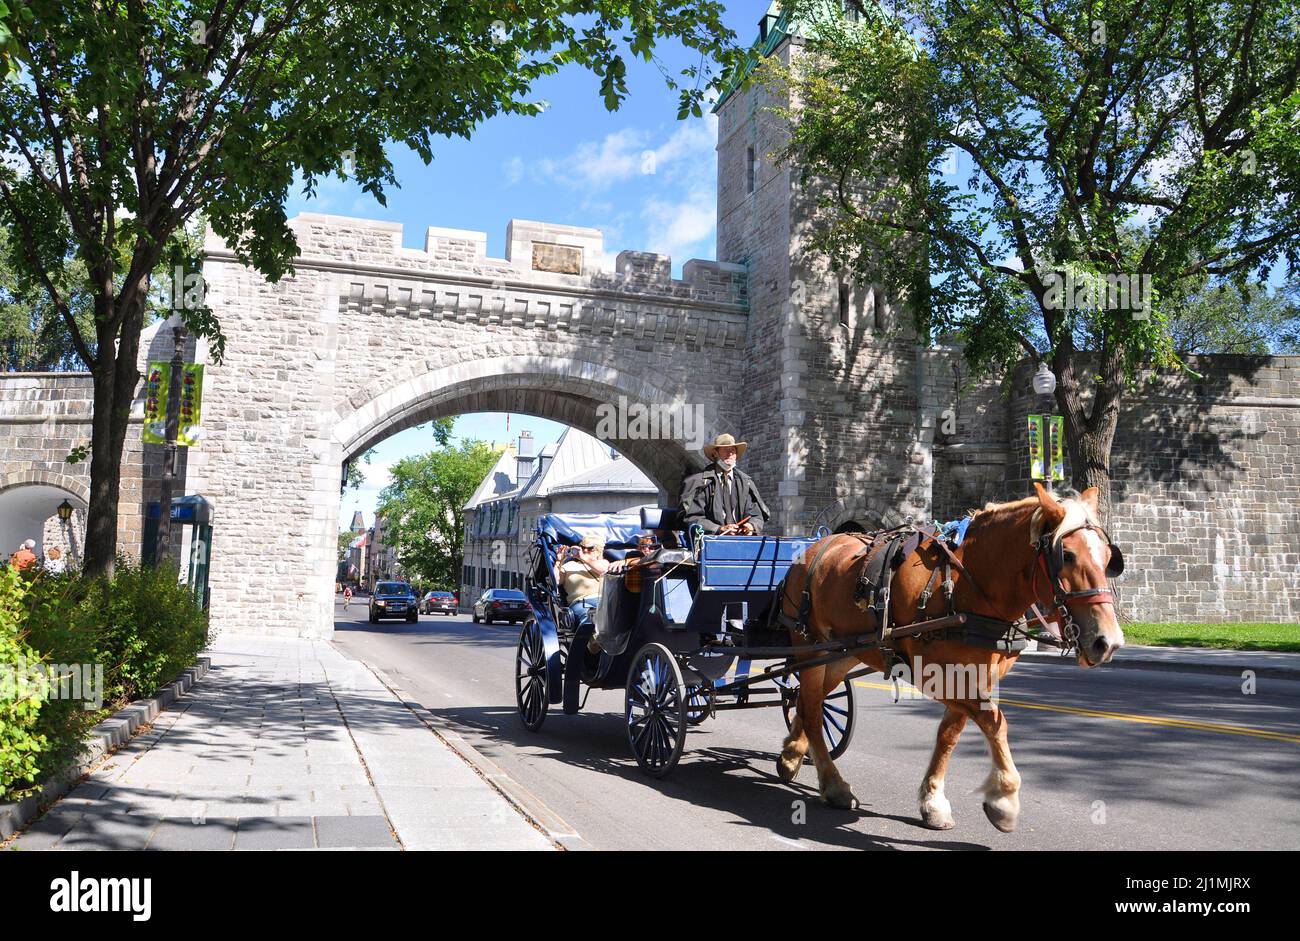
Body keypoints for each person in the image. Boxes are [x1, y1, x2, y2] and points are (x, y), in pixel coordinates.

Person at [680, 433, 770, 535]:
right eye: (725, 450)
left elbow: (756, 515)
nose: (730, 454)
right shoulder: (700, 483)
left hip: (740, 542)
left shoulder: (745, 482)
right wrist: (719, 529)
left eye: (733, 450)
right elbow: (692, 517)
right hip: (711, 542)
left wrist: (751, 526)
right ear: (715, 454)